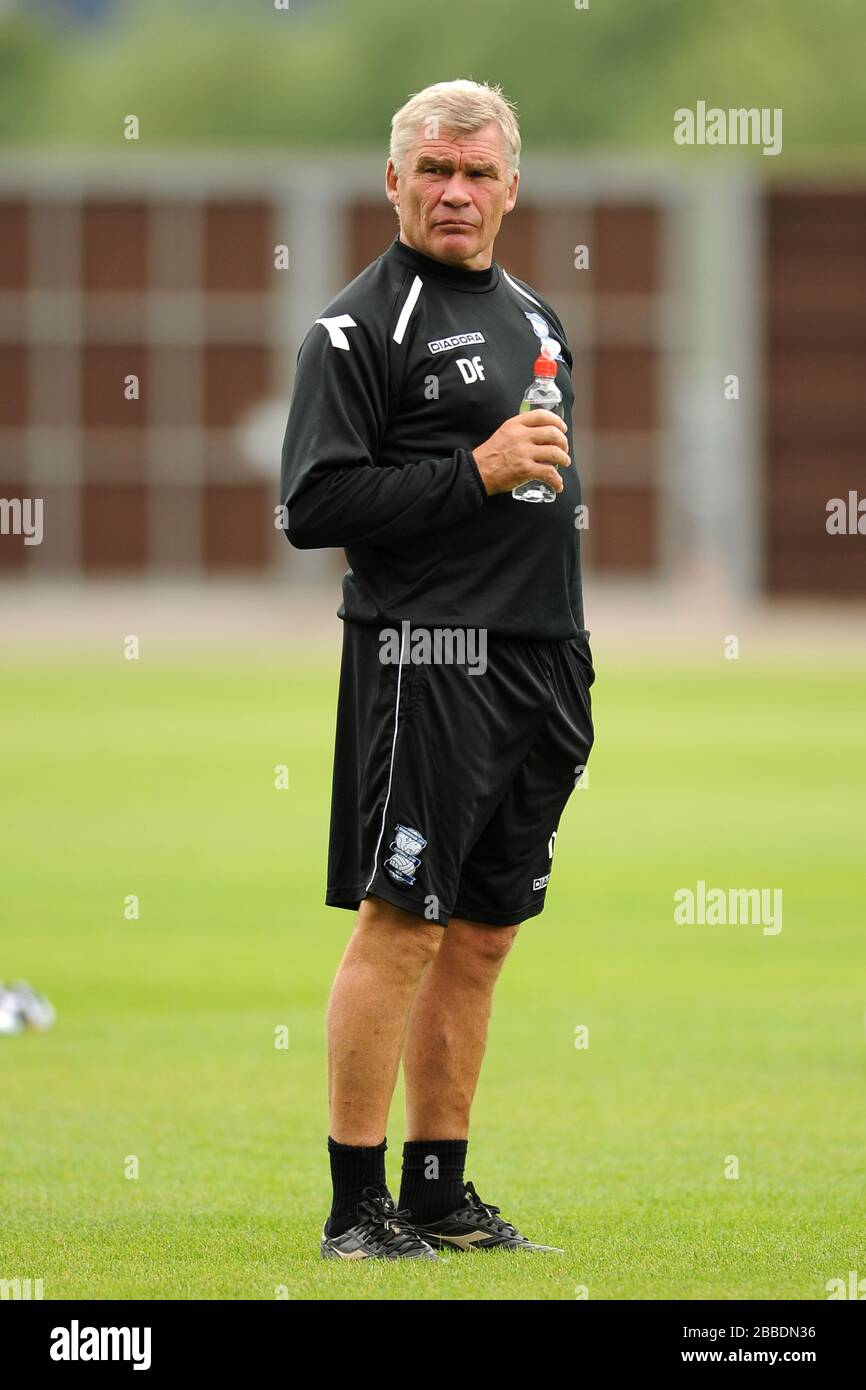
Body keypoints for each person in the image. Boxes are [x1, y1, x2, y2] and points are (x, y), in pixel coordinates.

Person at [281, 78, 595, 1260]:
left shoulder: (535, 313)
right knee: (401, 922)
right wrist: (476, 467)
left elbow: (539, 489)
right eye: (432, 170)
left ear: (510, 185)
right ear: (394, 181)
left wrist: (565, 640)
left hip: (541, 661)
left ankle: (437, 1193)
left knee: (482, 932)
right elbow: (313, 503)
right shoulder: (358, 328)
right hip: (429, 660)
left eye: (475, 173)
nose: (453, 191)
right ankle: (354, 1207)